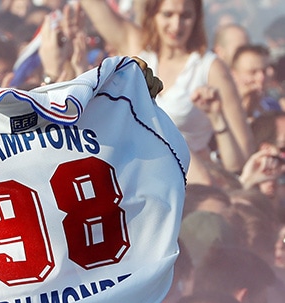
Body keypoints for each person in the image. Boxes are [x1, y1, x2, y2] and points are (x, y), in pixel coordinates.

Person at [78, 0, 253, 180]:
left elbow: (244, 151)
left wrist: (217, 120)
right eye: (168, 14)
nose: (176, 25)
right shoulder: (138, 49)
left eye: (185, 16)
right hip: (135, 176)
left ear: (197, 18)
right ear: (152, 15)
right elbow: (95, 7)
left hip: (189, 183)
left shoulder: (209, 67)